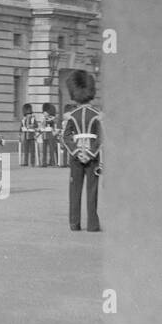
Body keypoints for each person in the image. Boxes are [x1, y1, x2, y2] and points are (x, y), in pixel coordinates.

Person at [62, 70, 102, 232]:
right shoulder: (97, 115)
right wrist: (90, 153)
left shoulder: (72, 116)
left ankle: (74, 223)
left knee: (75, 191)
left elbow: (66, 137)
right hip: (92, 157)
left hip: (76, 156)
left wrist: (77, 152)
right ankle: (92, 225)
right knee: (92, 192)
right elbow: (101, 137)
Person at [40, 102, 59, 167]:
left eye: (45, 112)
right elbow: (41, 126)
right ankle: (44, 162)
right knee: (44, 149)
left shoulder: (53, 119)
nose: (44, 113)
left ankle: (52, 162)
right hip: (45, 134)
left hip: (51, 134)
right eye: (44, 112)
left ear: (49, 112)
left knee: (51, 149)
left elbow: (55, 127)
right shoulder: (43, 119)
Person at [19, 103, 37, 167]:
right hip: (25, 136)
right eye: (27, 114)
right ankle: (25, 162)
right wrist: (20, 134)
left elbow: (36, 126)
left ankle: (32, 162)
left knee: (32, 150)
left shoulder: (33, 119)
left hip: (31, 136)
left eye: (29, 114)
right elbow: (20, 128)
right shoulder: (23, 119)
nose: (28, 115)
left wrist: (32, 126)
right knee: (25, 150)